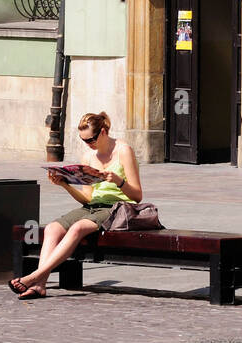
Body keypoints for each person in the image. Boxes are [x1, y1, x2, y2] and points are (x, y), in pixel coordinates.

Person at [9, 112, 142, 300]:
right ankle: (40, 285)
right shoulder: (88, 156)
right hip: (93, 207)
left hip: (117, 208)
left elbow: (137, 195)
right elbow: (87, 199)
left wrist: (119, 181)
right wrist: (64, 184)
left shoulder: (123, 150)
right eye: (84, 140)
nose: (88, 144)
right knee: (52, 229)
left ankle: (36, 277)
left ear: (103, 132)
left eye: (91, 140)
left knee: (77, 227)